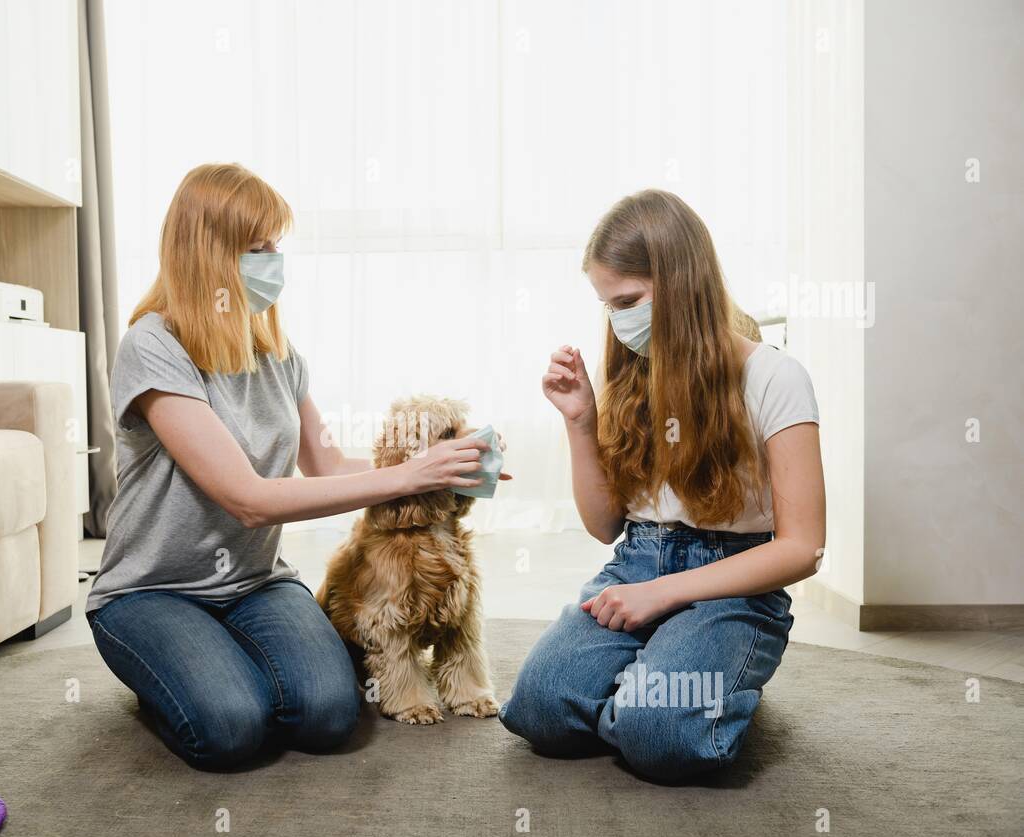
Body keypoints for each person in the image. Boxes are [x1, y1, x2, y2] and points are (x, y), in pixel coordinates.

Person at [85, 163, 493, 771]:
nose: (274, 262)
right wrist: (409, 476)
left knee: (329, 715)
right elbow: (248, 498)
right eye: (258, 248)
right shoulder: (153, 348)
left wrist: (447, 467)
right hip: (154, 592)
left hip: (254, 584)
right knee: (231, 731)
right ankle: (176, 668)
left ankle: (220, 660)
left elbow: (327, 465)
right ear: (208, 254)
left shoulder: (278, 354)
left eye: (276, 246)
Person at [499, 189, 826, 782]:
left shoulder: (776, 377)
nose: (618, 322)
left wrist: (667, 594)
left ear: (682, 281)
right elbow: (605, 527)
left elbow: (803, 548)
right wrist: (579, 420)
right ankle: (670, 677)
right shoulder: (629, 376)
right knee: (538, 711)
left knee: (659, 738)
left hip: (735, 577)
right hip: (638, 559)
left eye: (627, 301)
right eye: (607, 306)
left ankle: (702, 682)